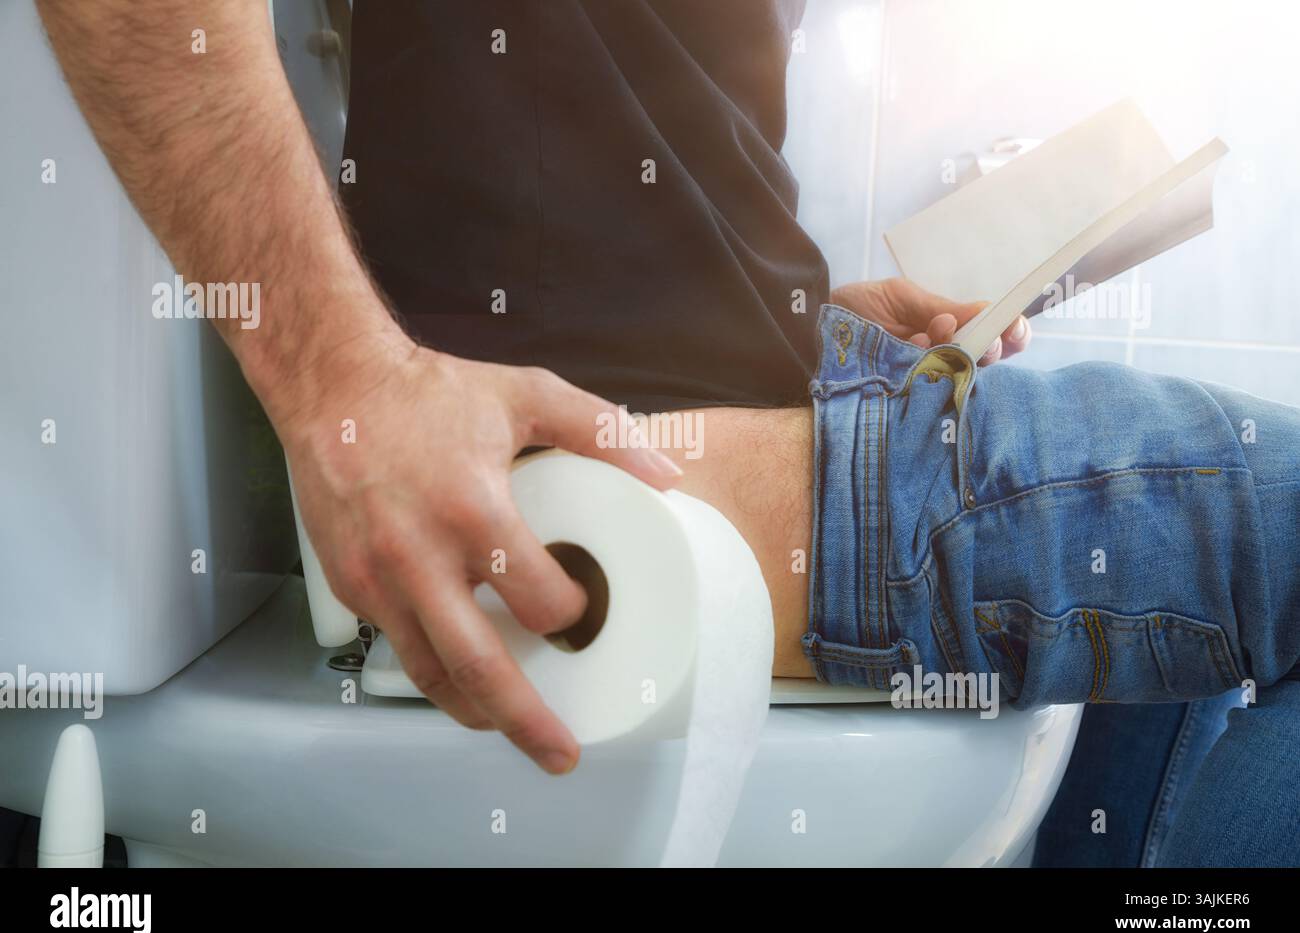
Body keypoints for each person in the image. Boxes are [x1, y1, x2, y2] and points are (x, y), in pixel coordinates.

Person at [38, 1, 1298, 865]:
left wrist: (806, 313)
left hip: (766, 414)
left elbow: (594, 175)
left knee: (1180, 681)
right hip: (631, 477)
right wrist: (341, 390)